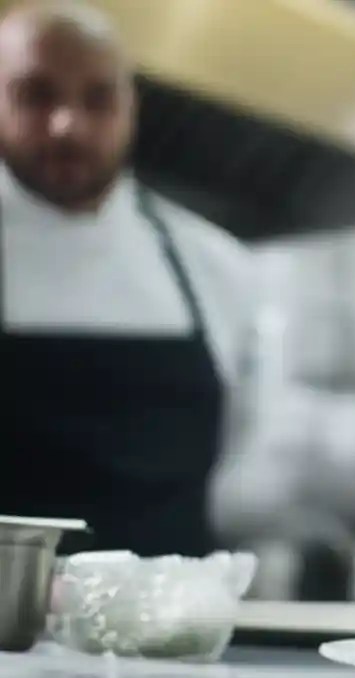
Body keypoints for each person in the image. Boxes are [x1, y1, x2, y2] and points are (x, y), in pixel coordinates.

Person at [0, 2, 270, 557]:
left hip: (172, 637)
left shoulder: (215, 265)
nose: (67, 125)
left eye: (97, 98)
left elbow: (240, 456)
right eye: (36, 95)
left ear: (131, 107)